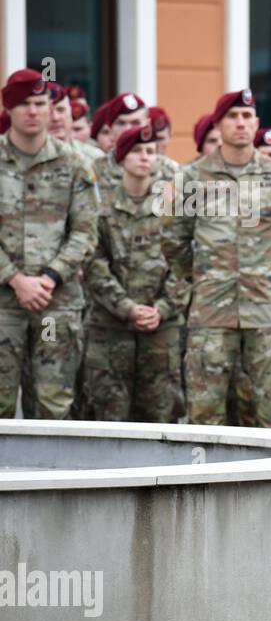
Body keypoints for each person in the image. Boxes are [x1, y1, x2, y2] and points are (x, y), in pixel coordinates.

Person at [173, 88, 271, 428]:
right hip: (211, 311)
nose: (241, 123)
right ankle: (203, 481)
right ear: (218, 125)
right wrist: (204, 277)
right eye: (232, 117)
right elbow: (172, 240)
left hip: (266, 309)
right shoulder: (190, 178)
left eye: (247, 116)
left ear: (257, 123)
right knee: (205, 414)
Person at [0, 69, 99, 419]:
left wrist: (50, 277)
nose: (33, 111)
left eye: (40, 103)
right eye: (24, 104)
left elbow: (86, 231)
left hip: (54, 304)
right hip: (4, 305)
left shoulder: (74, 164)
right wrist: (15, 278)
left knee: (52, 404)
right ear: (8, 109)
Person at [83, 123, 187, 421]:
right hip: (110, 326)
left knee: (159, 416)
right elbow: (94, 263)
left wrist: (163, 308)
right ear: (121, 158)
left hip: (161, 328)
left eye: (150, 151)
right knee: (108, 415)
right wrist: (127, 308)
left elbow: (187, 264)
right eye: (137, 151)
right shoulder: (101, 206)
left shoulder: (173, 207)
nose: (145, 157)